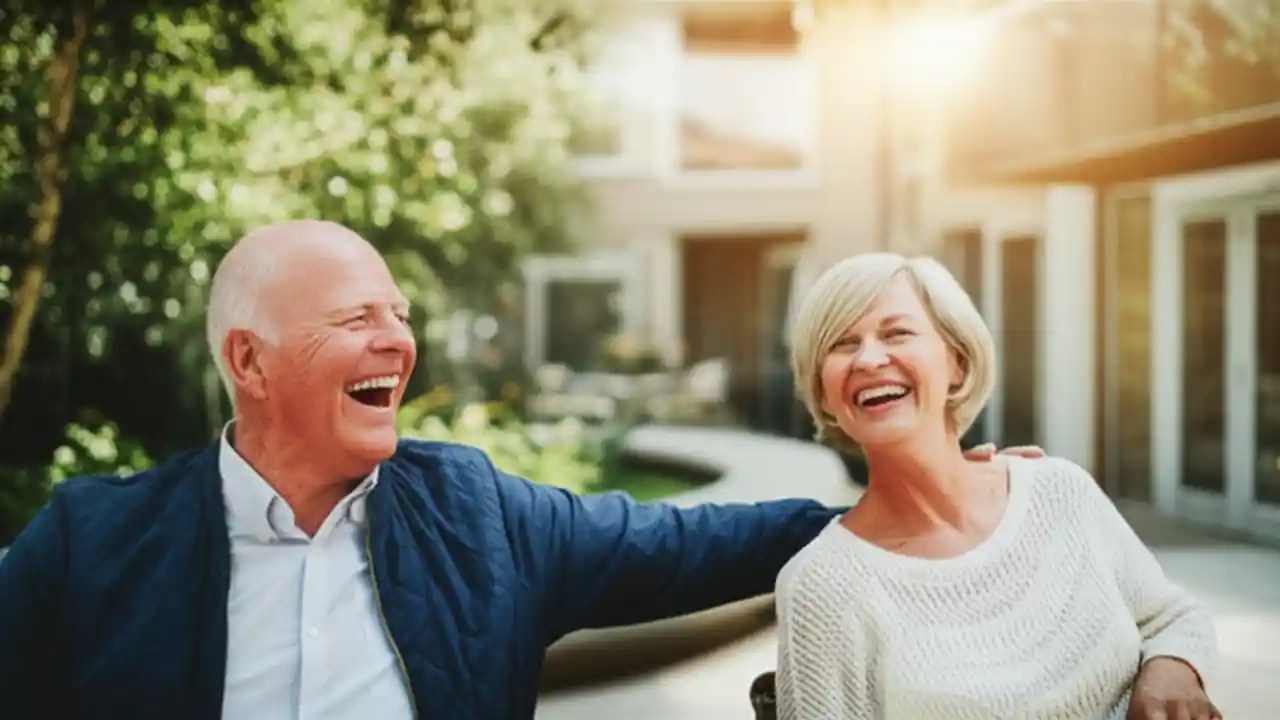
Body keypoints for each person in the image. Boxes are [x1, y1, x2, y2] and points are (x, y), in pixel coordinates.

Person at [0, 220, 1030, 719]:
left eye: (398, 318)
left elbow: (681, 542)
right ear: (249, 361)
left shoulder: (475, 515)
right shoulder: (88, 545)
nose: (396, 343)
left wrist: (932, 494)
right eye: (357, 319)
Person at [774, 252, 1221, 720]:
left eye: (896, 333)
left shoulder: (1059, 492)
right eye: (842, 343)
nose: (868, 358)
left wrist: (1172, 669)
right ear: (824, 392)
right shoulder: (820, 588)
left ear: (959, 364)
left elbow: (1174, 617)